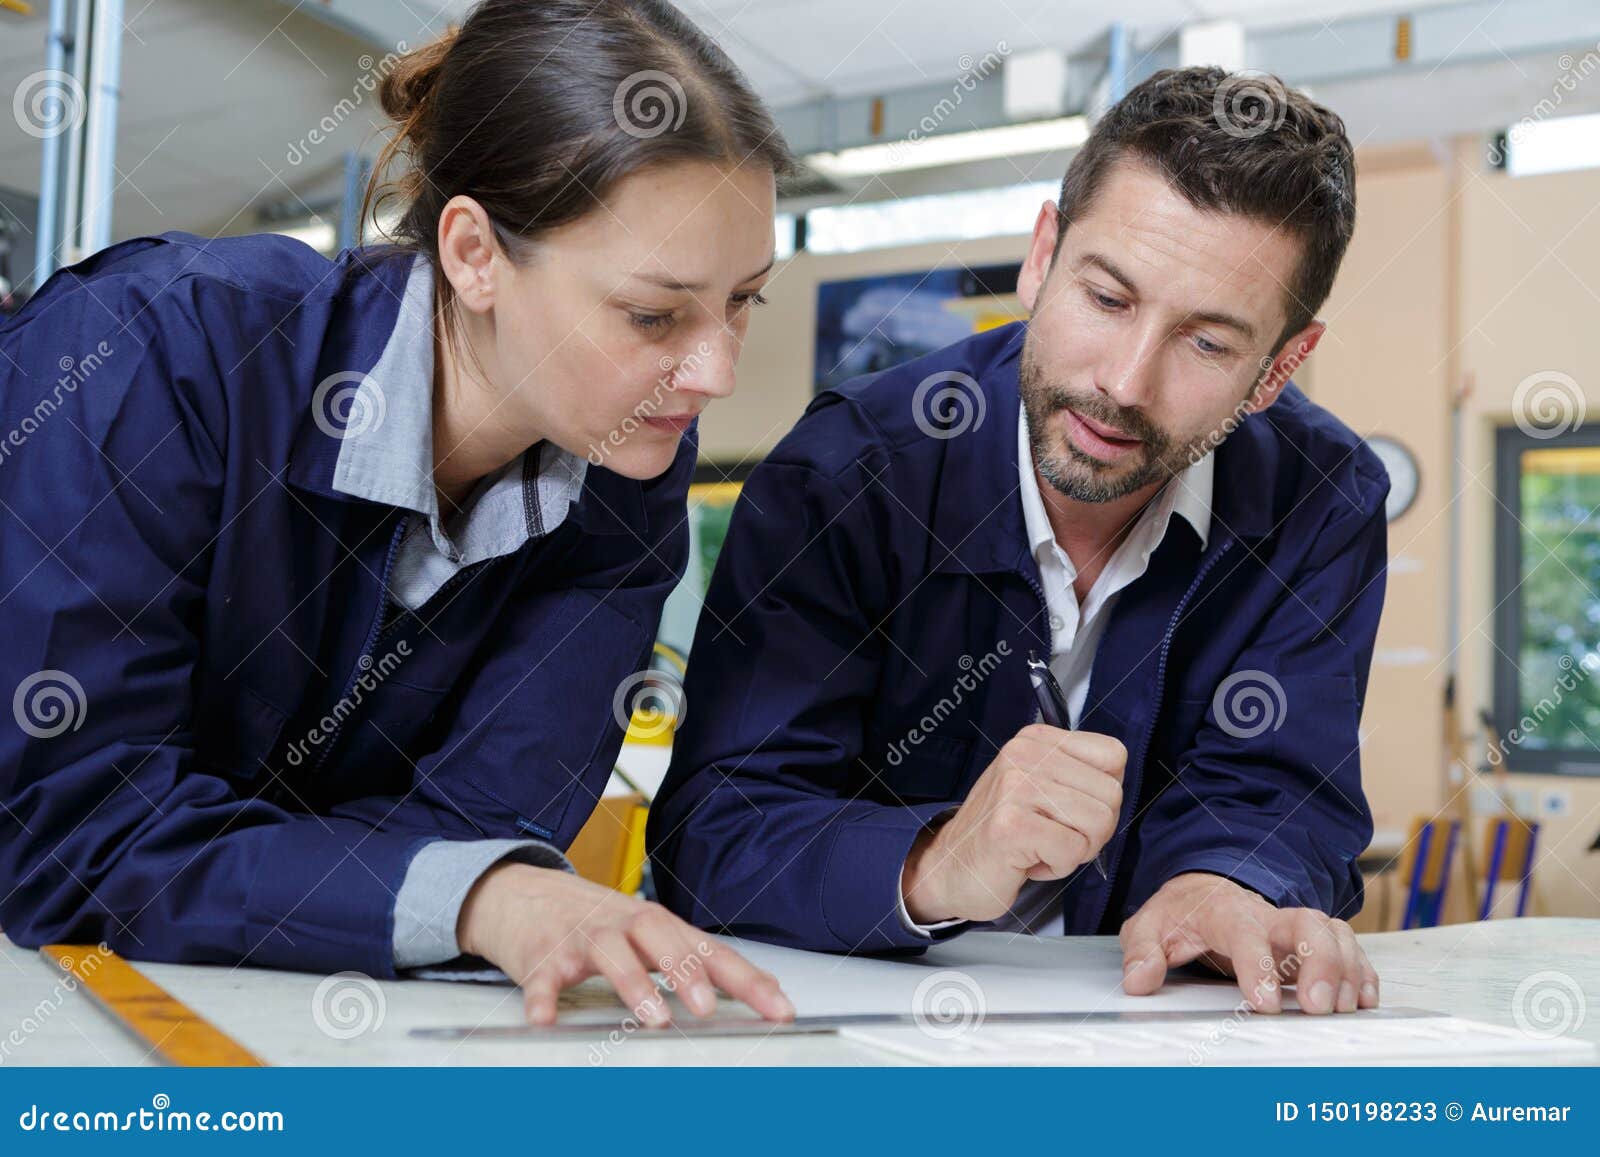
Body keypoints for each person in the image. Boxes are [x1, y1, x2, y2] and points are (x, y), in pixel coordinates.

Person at [0, 0, 794, 1027]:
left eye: (745, 299)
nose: (718, 370)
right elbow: (71, 835)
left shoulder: (623, 476)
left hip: (263, 1007)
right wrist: (474, 896)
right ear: (474, 253)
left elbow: (475, 825)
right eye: (653, 313)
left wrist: (463, 891)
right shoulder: (153, 356)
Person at [649, 67, 1386, 1016]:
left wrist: (1229, 882)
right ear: (1042, 256)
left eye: (1207, 343)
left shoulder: (1321, 502)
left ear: (1280, 365)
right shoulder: (846, 475)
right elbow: (716, 830)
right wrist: (931, 863)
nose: (1124, 382)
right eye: (1108, 298)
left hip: (1147, 1042)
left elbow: (1281, 785)